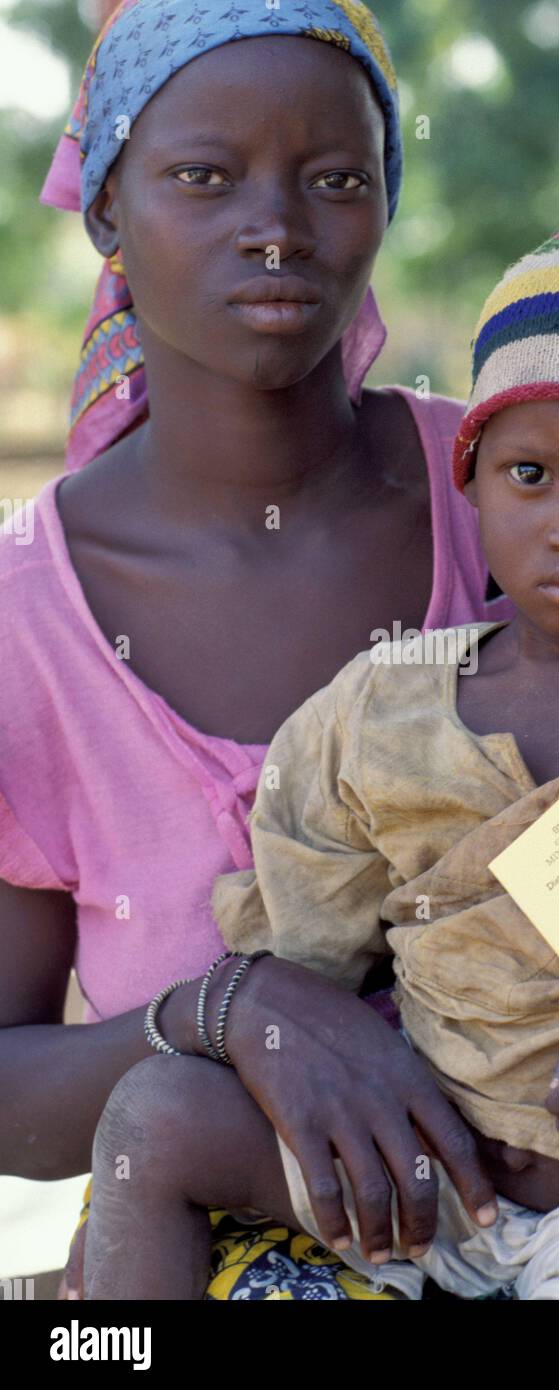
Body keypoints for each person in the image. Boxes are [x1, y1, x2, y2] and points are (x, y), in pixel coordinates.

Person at [82, 200, 559, 1300]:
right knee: (156, 1117)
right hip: (423, 1188)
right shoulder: (381, 709)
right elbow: (306, 974)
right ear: (472, 475)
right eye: (531, 474)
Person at [0, 0, 516, 1303]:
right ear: (110, 210)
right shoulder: (29, 620)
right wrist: (229, 1013)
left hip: (553, 1232)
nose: (277, 224)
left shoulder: (512, 498)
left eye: (335, 177)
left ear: (386, 196)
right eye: (204, 176)